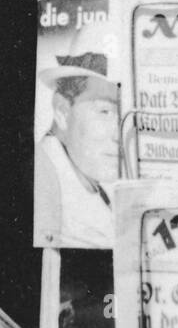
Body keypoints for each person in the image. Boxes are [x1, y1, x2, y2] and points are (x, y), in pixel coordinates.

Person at [33, 43, 120, 250]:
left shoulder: (81, 175)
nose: (119, 135)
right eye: (105, 112)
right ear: (63, 112)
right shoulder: (45, 179)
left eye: (123, 114)